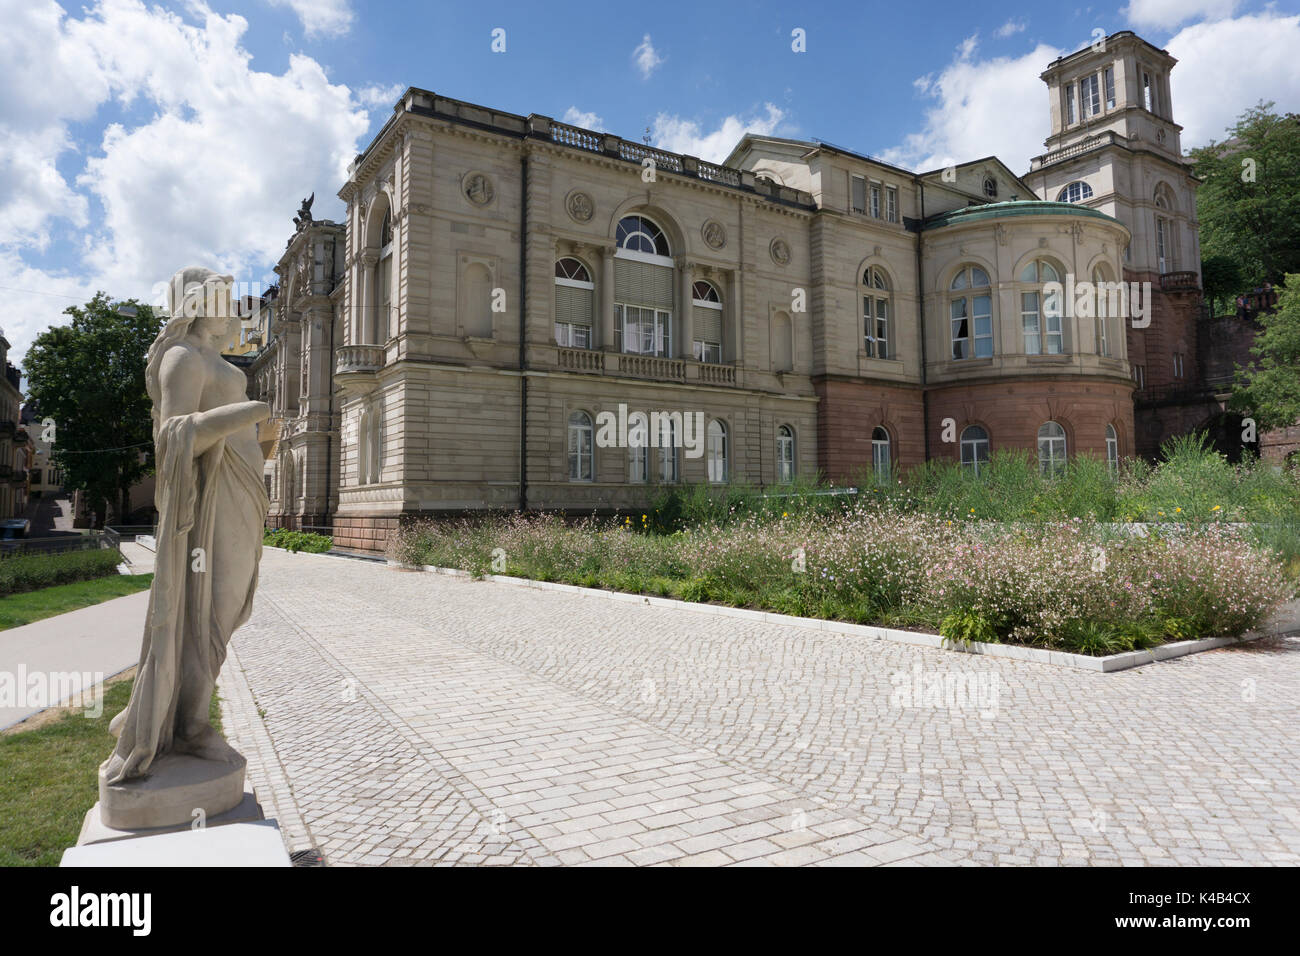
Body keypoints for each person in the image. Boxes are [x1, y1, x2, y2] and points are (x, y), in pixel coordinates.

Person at [101, 267, 270, 785]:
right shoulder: (182, 357)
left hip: (243, 490)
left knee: (229, 607)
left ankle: (180, 715)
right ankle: (192, 725)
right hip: (212, 496)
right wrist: (243, 415)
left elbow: (236, 432)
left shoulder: (219, 360)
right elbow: (174, 436)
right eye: (226, 300)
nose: (235, 310)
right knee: (209, 610)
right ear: (199, 304)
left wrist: (263, 433)